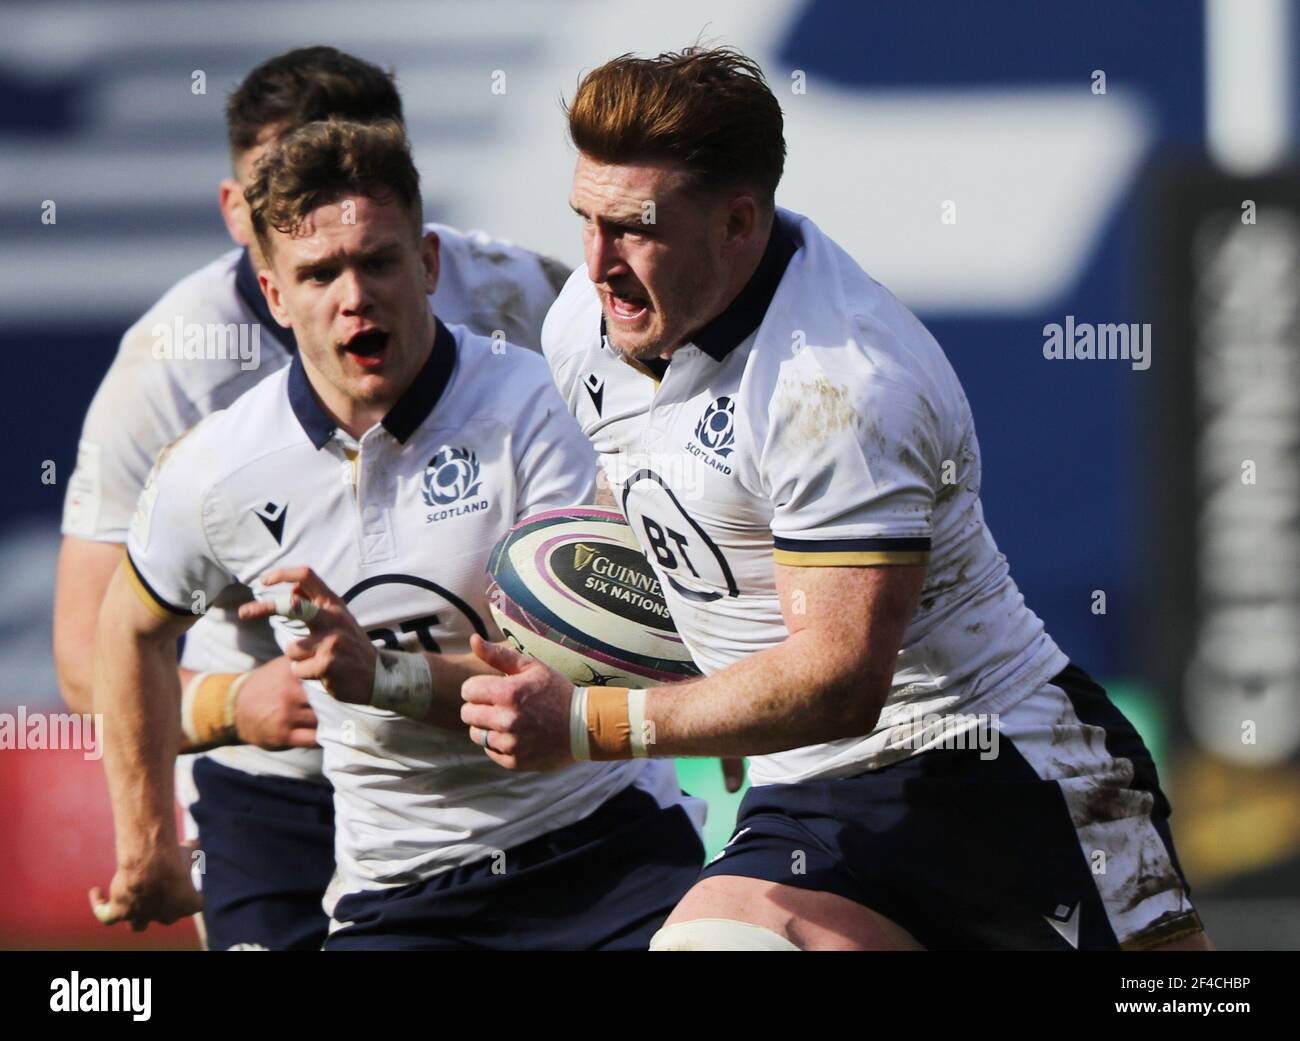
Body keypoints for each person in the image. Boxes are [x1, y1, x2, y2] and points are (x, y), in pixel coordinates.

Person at [459, 46, 1212, 951]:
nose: (598, 262)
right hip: (810, 797)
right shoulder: (587, 323)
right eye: (585, 218)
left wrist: (588, 723)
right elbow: (656, 513)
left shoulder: (843, 383)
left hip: (1002, 773)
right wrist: (701, 675)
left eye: (635, 229)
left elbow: (839, 681)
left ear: (737, 222)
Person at [89, 118, 705, 951]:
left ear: (427, 263)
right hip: (402, 891)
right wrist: (147, 840)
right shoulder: (219, 469)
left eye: (378, 260)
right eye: (318, 274)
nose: (354, 296)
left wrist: (379, 675)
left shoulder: (542, 406)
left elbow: (563, 688)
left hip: (606, 845)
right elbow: (128, 629)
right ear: (274, 295)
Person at [57, 46, 568, 950]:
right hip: (278, 776)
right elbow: (87, 653)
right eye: (289, 197)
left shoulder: (521, 292)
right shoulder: (173, 371)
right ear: (244, 223)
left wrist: (687, 661)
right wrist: (227, 706)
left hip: (494, 772)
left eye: (364, 185)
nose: (329, 205)